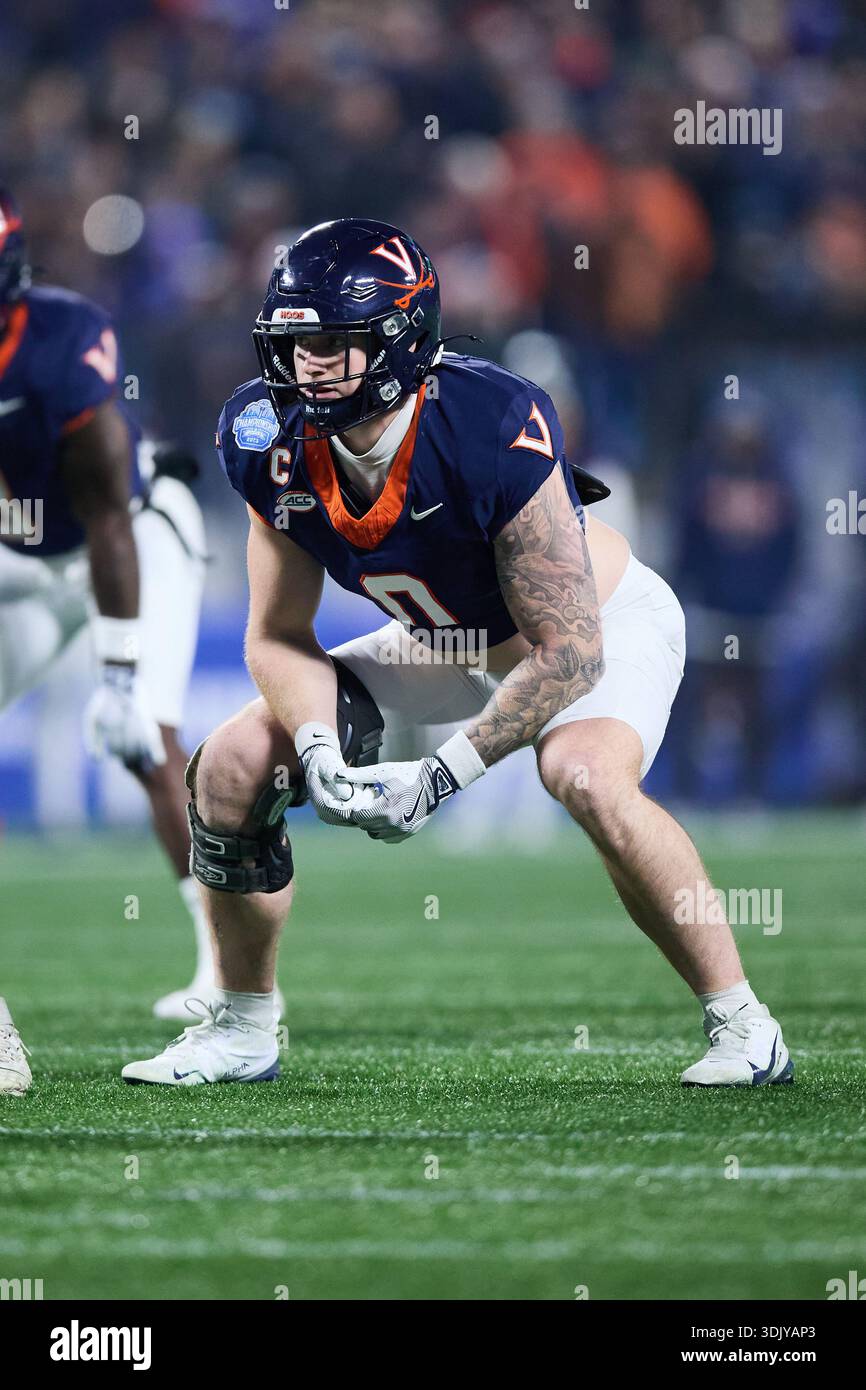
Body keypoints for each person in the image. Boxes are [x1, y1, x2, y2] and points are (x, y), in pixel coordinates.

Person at [124, 217, 792, 1089]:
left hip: (601, 625)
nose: (305, 364)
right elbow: (278, 636)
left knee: (584, 776)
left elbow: (570, 652)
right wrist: (320, 749)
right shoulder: (267, 441)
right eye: (291, 343)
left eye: (331, 341)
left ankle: (746, 1024)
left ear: (399, 337)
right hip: (446, 640)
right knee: (233, 765)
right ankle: (244, 1029)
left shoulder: (487, 423)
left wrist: (441, 776)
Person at [0, 187, 215, 1049]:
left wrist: (119, 672)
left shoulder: (58, 341)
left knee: (148, 737)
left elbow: (108, 514)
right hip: (21, 556)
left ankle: (224, 964)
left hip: (127, 538)